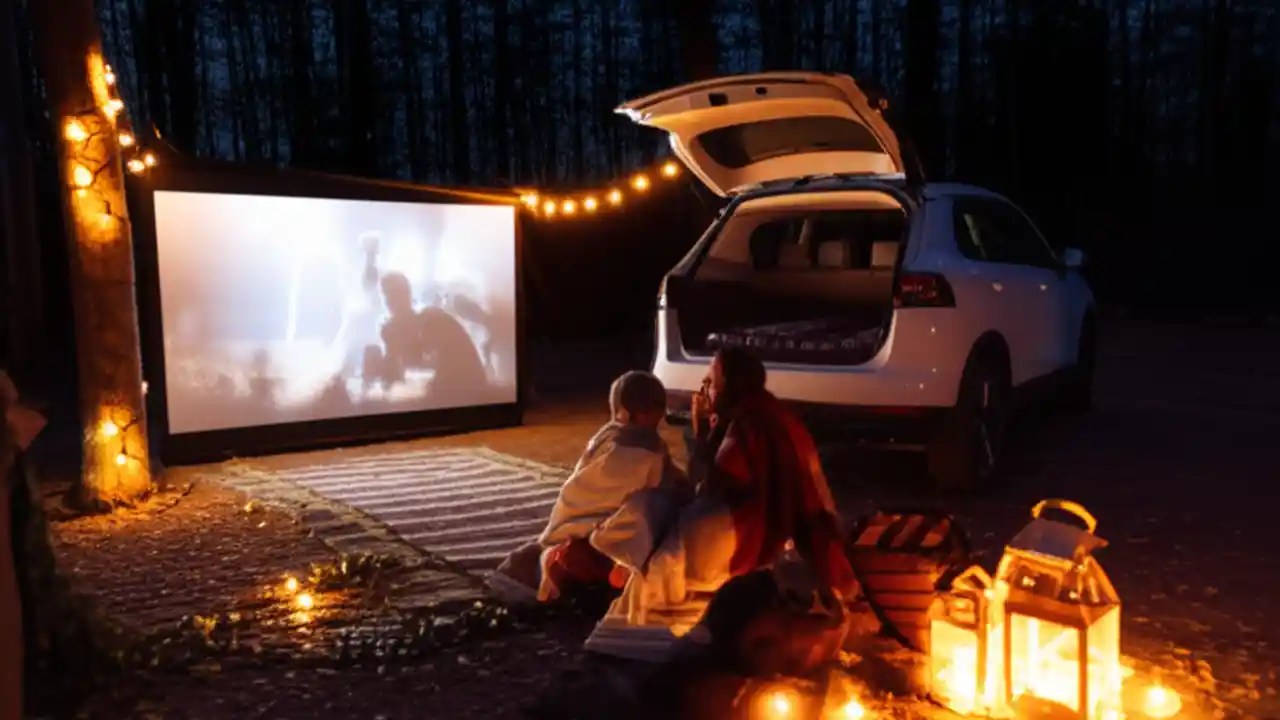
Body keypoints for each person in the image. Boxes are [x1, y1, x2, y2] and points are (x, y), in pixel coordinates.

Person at [585, 348, 856, 657]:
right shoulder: (761, 417)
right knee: (652, 511)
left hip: (735, 534)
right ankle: (634, 601)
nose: (703, 386)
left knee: (655, 521)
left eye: (711, 380)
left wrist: (703, 438)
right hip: (744, 529)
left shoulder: (751, 423)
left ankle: (645, 624)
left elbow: (711, 485)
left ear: (732, 386)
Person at [487, 371, 690, 604]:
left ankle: (562, 575)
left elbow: (581, 497)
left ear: (622, 413)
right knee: (526, 561)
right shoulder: (638, 445)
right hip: (602, 538)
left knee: (545, 560)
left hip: (605, 543)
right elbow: (584, 491)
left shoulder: (636, 449)